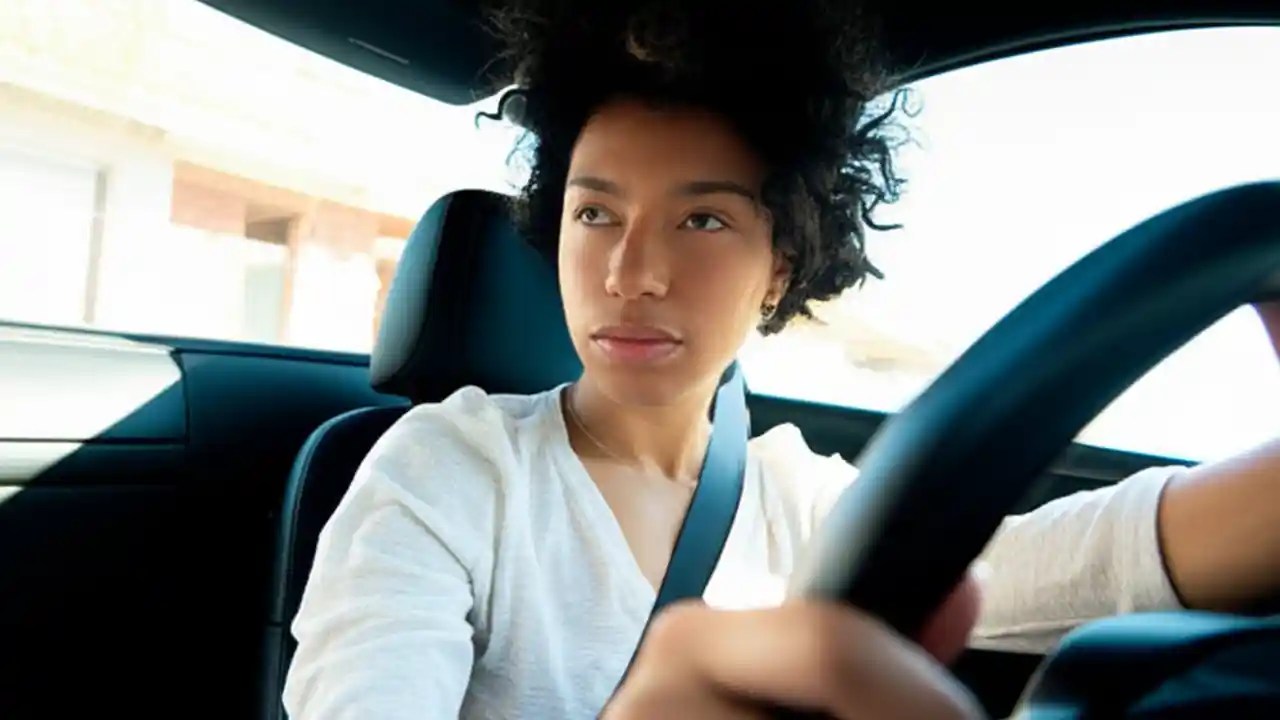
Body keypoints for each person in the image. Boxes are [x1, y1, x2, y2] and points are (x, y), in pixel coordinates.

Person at [282, 1, 1280, 718]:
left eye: (702, 217)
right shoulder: (444, 469)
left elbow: (1084, 563)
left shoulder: (798, 500)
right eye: (595, 213)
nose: (632, 271)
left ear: (779, 266)